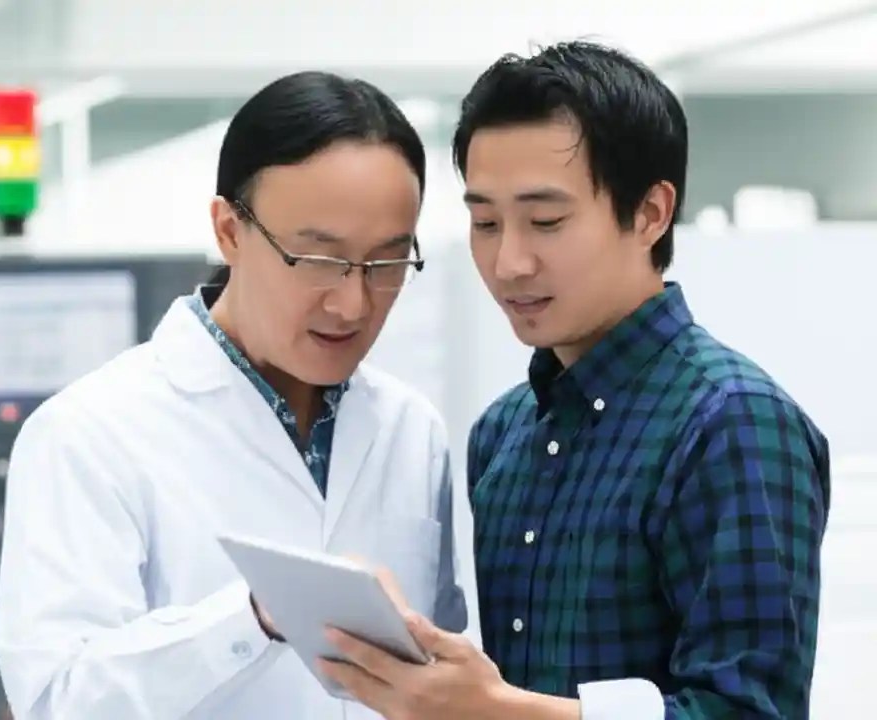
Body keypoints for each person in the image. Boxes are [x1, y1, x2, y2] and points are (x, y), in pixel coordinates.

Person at [321, 41, 830, 719]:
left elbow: (748, 711)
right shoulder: (503, 434)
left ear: (649, 213)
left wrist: (495, 711)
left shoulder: (731, 423)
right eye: (485, 222)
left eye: (547, 221)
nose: (509, 262)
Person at [0, 70, 469, 720]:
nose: (353, 302)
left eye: (385, 263)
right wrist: (252, 615)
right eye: (318, 259)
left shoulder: (412, 430)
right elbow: (57, 699)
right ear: (229, 231)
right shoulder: (88, 434)